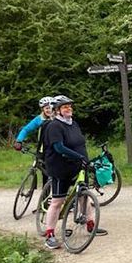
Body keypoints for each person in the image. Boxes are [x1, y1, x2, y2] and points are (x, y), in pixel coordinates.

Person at [40, 95, 106, 249]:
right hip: (60, 168)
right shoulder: (54, 126)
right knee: (57, 201)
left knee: (84, 194)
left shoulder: (73, 124)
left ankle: (90, 225)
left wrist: (86, 161)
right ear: (57, 111)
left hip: (77, 165)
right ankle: (50, 234)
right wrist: (79, 157)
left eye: (70, 106)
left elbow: (79, 144)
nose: (69, 109)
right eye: (65, 107)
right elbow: (59, 148)